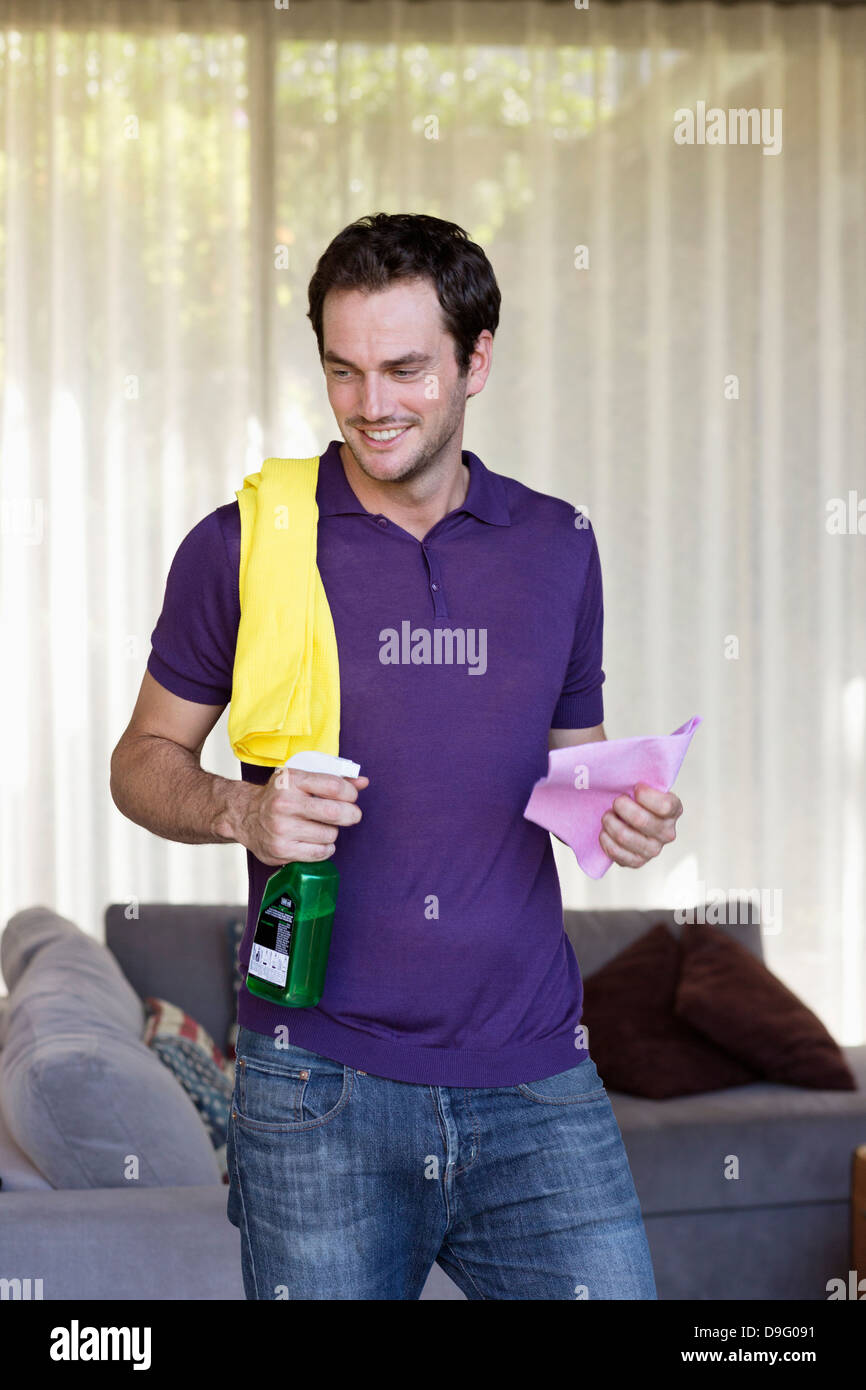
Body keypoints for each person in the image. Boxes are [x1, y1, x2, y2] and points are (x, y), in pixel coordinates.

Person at [110, 212, 682, 1300]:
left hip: (535, 1077)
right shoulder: (242, 545)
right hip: (314, 1085)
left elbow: (578, 770)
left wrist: (629, 816)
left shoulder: (557, 541)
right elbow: (140, 759)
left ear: (476, 359)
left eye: (406, 369)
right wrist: (243, 812)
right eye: (345, 370)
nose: (372, 405)